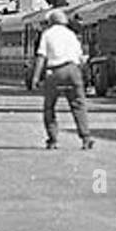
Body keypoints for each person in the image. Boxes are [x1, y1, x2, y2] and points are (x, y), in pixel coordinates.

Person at [30, 8, 93, 150]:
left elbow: (41, 57)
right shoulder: (72, 35)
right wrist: (83, 78)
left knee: (49, 106)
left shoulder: (47, 34)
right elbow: (80, 59)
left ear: (50, 22)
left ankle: (53, 139)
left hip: (55, 72)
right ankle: (86, 137)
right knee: (78, 105)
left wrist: (35, 77)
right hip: (72, 70)